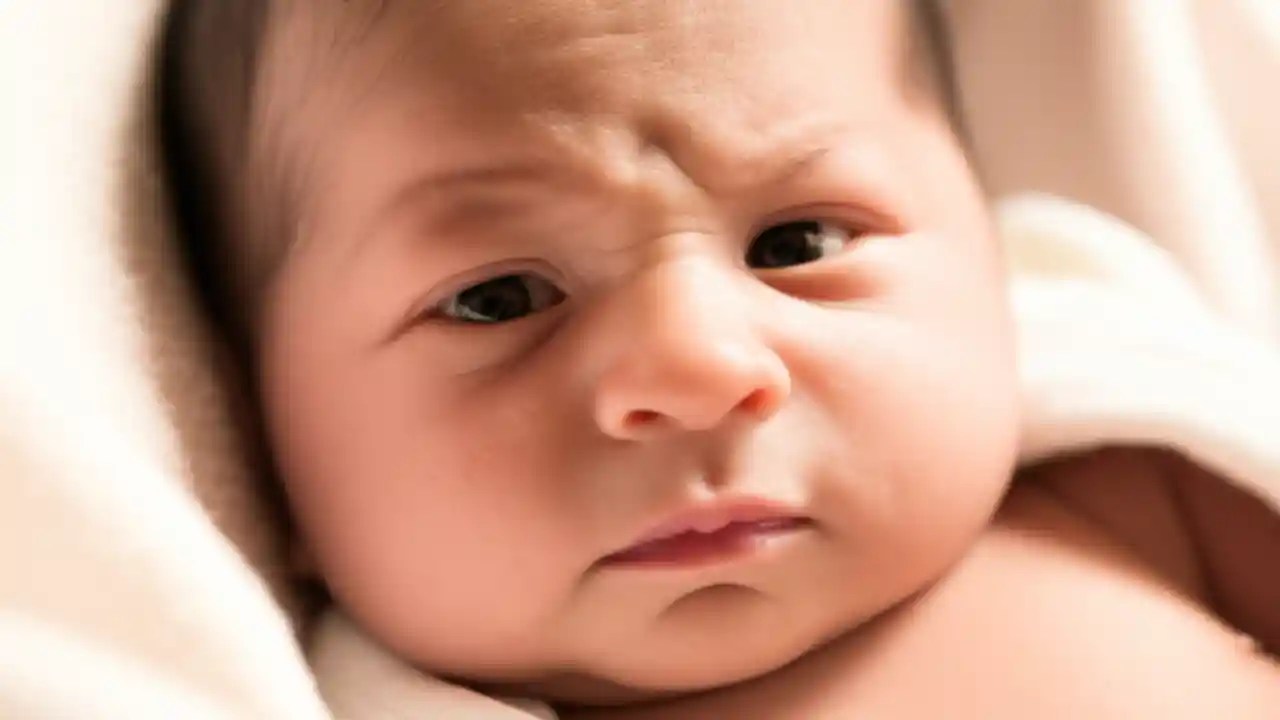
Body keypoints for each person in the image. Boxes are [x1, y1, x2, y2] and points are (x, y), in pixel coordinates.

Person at [162, 1, 1279, 716]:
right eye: (497, 299)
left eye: (796, 243)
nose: (694, 365)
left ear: (987, 265)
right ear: (262, 439)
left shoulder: (1127, 480)